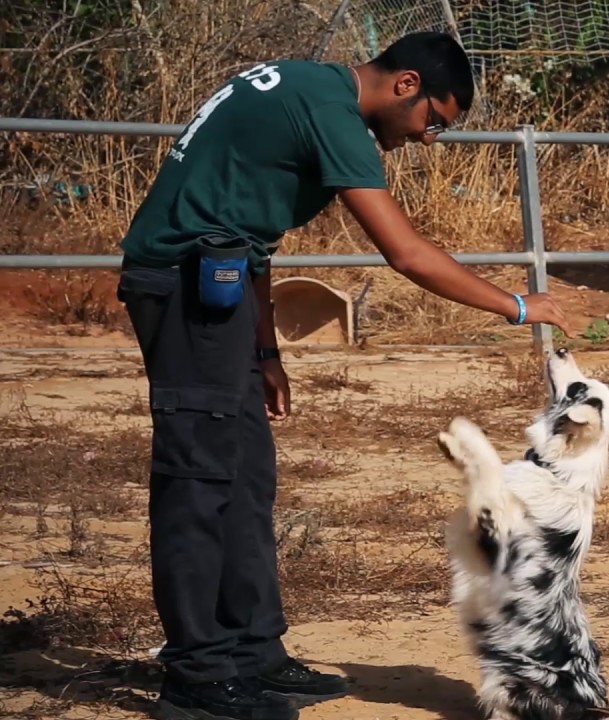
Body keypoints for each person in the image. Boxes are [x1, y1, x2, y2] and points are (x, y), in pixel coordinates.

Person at [114, 31, 571, 720]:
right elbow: (406, 253)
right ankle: (198, 676)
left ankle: (253, 654)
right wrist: (516, 305)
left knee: (245, 477)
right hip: (183, 295)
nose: (428, 139)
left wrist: (265, 352)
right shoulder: (334, 114)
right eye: (434, 122)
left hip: (221, 290)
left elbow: (245, 236)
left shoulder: (305, 85)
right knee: (199, 480)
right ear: (406, 84)